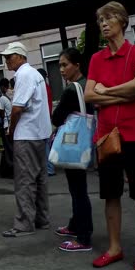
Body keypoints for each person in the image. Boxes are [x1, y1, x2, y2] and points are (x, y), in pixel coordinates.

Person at [84, 1, 135, 270]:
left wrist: (107, 91)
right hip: (107, 137)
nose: (104, 23)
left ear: (122, 22)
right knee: (110, 194)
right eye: (101, 19)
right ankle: (115, 248)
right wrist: (121, 94)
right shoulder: (96, 59)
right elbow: (89, 95)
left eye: (109, 18)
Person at [0, 41, 52, 238]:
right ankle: (42, 218)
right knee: (40, 178)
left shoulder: (22, 75)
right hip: (39, 133)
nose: (6, 60)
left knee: (24, 180)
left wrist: (12, 130)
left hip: (27, 134)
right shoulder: (36, 74)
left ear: (21, 56)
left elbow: (17, 108)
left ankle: (23, 224)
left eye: (10, 56)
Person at [51, 48, 94, 252]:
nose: (61, 69)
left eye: (65, 64)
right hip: (85, 142)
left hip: (73, 146)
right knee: (78, 188)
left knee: (78, 191)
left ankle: (83, 237)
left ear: (77, 65)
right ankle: (75, 225)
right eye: (59, 65)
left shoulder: (71, 90)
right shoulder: (89, 85)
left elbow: (56, 118)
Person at [0, 78, 15, 178]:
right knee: (8, 148)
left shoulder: (3, 98)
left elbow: (1, 112)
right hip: (11, 124)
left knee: (8, 149)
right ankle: (3, 169)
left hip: (5, 126)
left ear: (1, 87)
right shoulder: (11, 96)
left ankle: (10, 170)